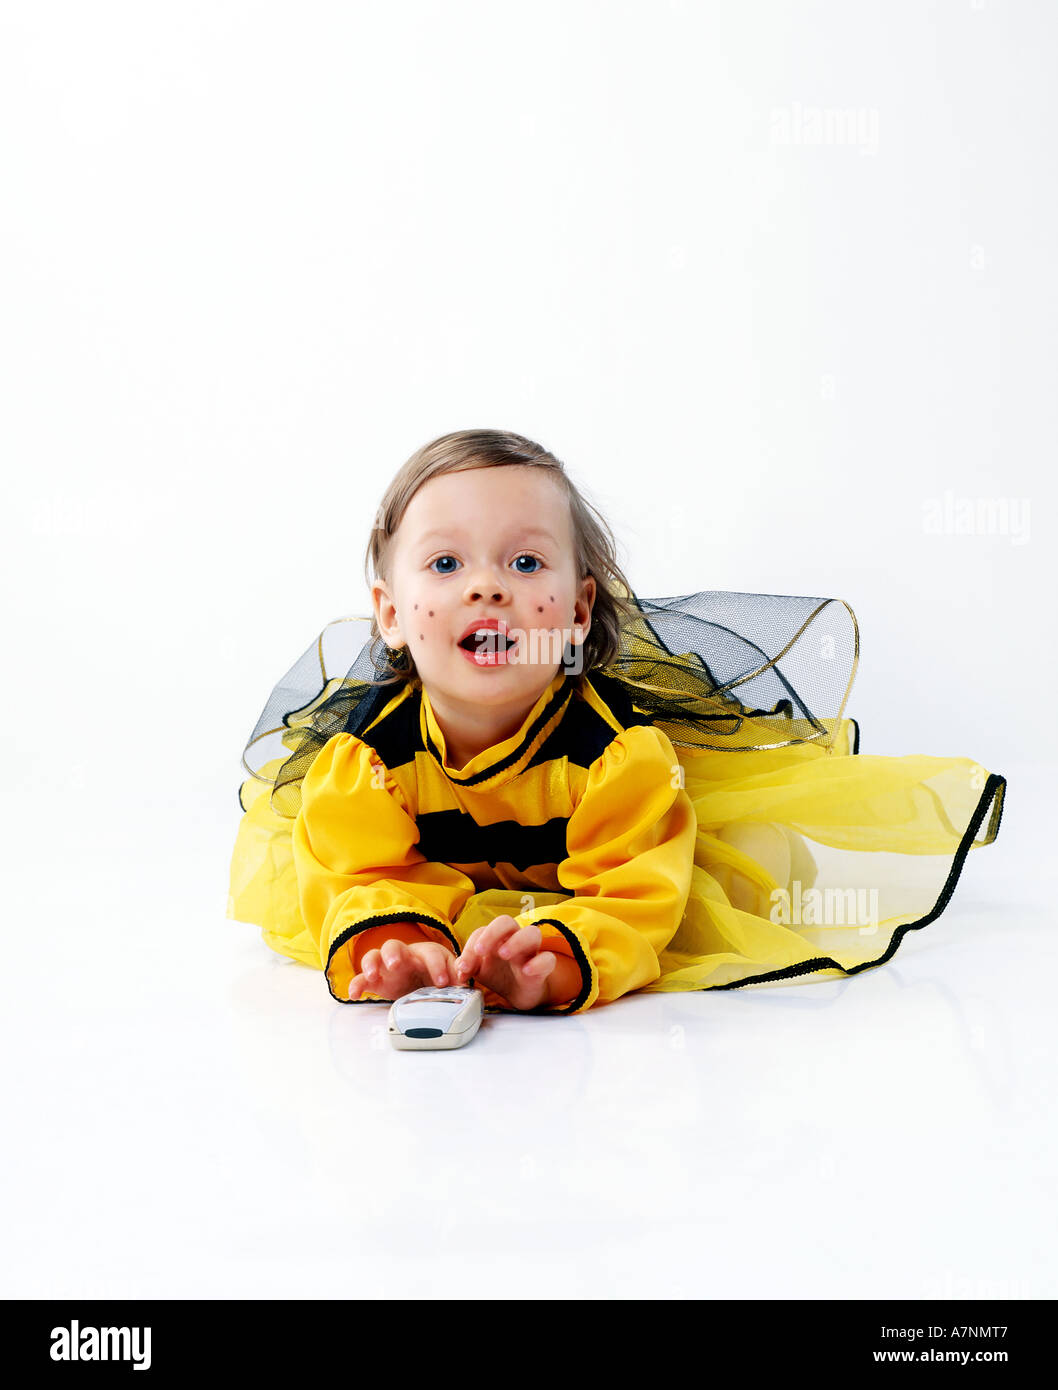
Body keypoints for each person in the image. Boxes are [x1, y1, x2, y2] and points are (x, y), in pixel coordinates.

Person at [226, 429, 1007, 1015]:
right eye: (446, 564)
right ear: (392, 616)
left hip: (599, 861)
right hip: (441, 874)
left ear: (577, 612)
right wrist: (402, 945)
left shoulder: (618, 756)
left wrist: (554, 963)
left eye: (526, 564)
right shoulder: (365, 759)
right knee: (337, 877)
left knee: (738, 868)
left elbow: (631, 894)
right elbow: (359, 872)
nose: (488, 588)